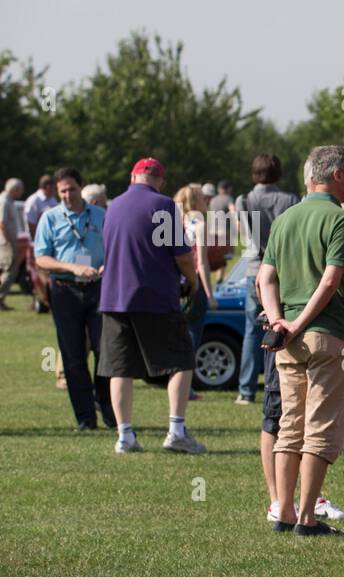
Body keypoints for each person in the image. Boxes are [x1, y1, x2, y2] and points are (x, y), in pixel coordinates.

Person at [257, 145, 344, 535]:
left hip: (287, 342)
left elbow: (264, 278)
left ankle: (282, 511)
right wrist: (300, 323)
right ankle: (306, 517)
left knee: (289, 427)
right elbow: (331, 280)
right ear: (335, 175)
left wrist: (279, 321)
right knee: (320, 428)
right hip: (329, 337)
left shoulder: (285, 219)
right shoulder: (341, 220)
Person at [98, 157, 205, 453]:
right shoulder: (165, 206)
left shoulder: (112, 207)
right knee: (181, 361)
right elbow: (182, 256)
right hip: (156, 297)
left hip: (113, 298)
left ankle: (125, 436)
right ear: (160, 181)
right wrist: (193, 281)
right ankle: (176, 431)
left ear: (133, 178)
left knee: (119, 368)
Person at [31, 168, 115, 431]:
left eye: (72, 189)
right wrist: (72, 268)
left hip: (98, 289)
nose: (68, 195)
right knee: (73, 356)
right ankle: (86, 419)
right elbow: (41, 258)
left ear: (82, 187)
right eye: (63, 191)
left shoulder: (102, 216)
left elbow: (115, 248)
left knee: (106, 352)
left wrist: (107, 266)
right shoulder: (50, 218)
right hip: (65, 290)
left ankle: (110, 410)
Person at [234, 154, 300, 405]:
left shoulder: (244, 200)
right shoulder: (291, 199)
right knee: (283, 326)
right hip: (283, 271)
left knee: (252, 331)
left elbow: (245, 235)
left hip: (255, 269)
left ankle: (246, 389)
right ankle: (281, 385)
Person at [175, 183, 218, 400]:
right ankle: (186, 386)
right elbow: (201, 262)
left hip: (174, 284)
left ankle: (175, 381)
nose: (206, 200)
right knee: (193, 336)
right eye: (202, 197)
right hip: (194, 284)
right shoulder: (199, 223)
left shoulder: (174, 222)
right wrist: (210, 294)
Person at [0, 178, 24, 310]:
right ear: (15, 189)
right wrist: (10, 241)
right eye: (20, 190)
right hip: (6, 242)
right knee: (10, 271)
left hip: (6, 241)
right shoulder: (4, 201)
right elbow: (2, 223)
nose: (20, 193)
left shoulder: (8, 200)